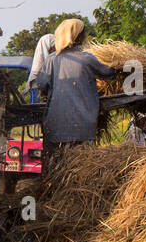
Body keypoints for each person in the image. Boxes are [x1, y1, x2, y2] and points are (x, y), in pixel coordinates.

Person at [31, 18, 118, 180]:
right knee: (83, 171)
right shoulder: (87, 59)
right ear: (78, 37)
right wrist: (122, 64)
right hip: (83, 126)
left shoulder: (51, 60)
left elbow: (42, 85)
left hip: (56, 126)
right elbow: (109, 73)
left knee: (55, 170)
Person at [26, 33, 56, 99]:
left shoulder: (54, 61)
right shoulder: (37, 71)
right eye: (54, 46)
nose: (56, 49)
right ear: (47, 46)